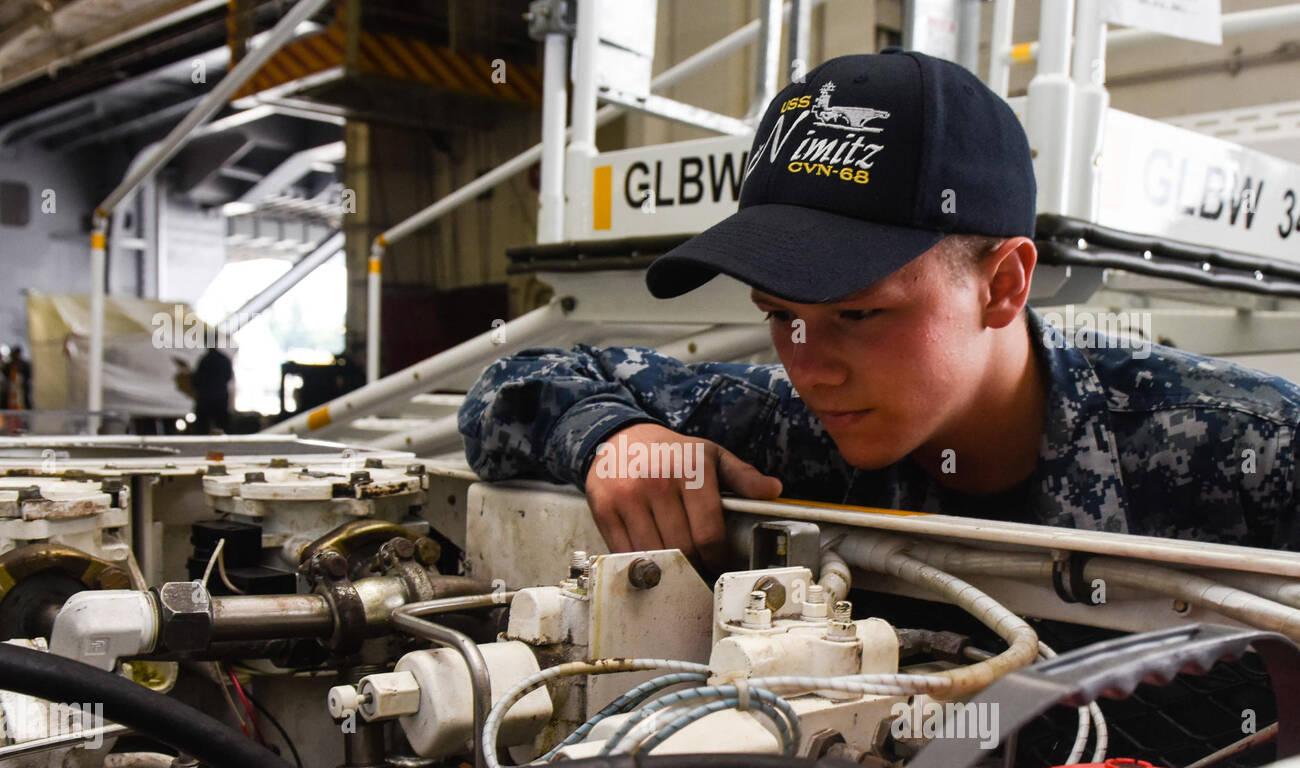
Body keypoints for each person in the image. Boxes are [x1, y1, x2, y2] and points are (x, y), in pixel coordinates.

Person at [458, 50, 1300, 573]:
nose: (808, 366)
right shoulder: (791, 429)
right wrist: (615, 438)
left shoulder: (1247, 454)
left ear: (1003, 285)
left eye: (859, 316)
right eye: (780, 313)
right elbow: (517, 383)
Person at [191, 348, 233, 434]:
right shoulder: (224, 359)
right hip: (220, 397)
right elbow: (229, 376)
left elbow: (197, 380)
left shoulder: (205, 360)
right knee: (222, 427)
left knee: (202, 429)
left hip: (206, 399)